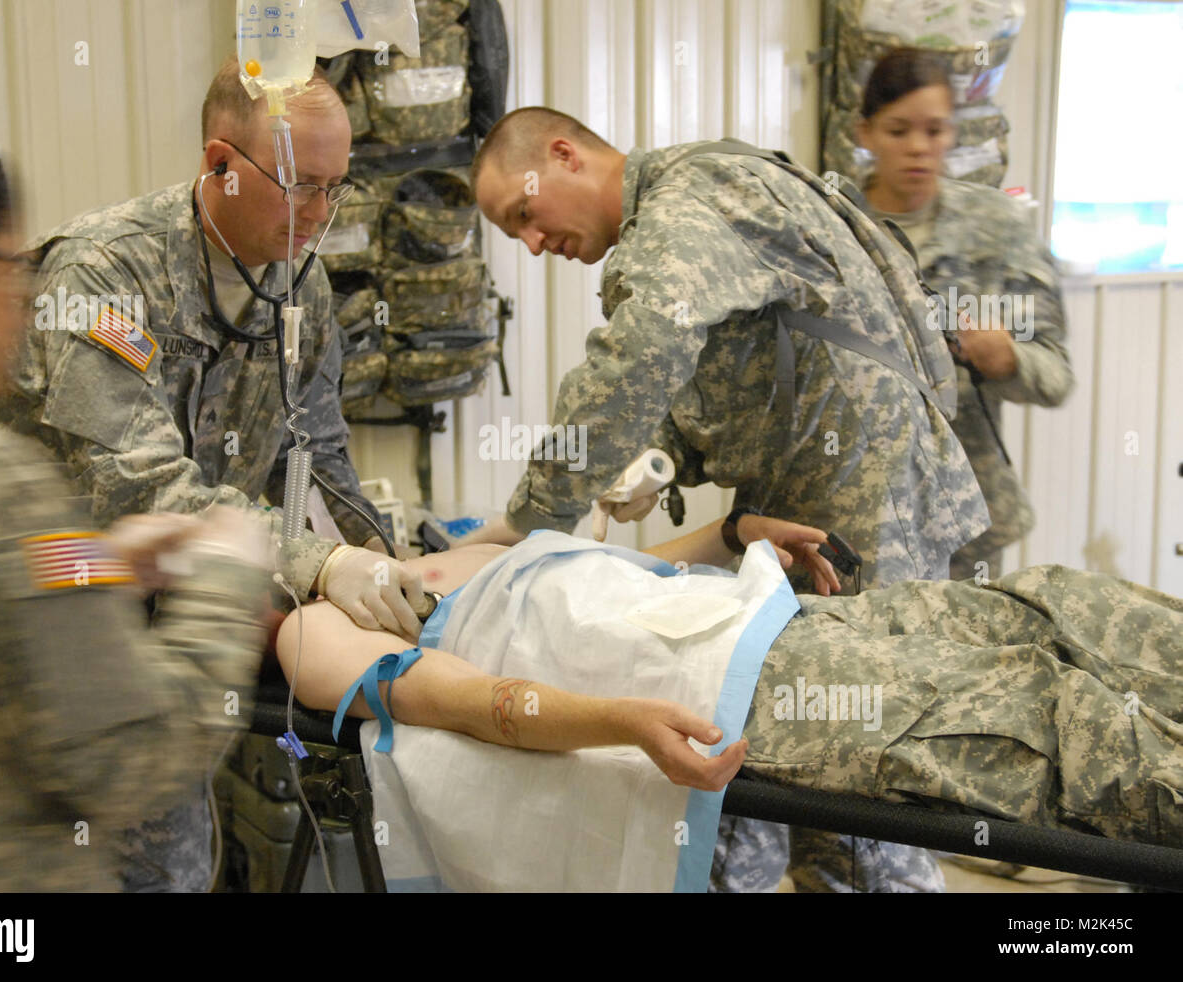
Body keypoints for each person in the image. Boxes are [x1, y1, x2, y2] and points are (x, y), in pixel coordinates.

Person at [467, 106, 993, 891]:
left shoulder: (691, 196)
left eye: (525, 216)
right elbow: (739, 364)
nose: (536, 245)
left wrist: (531, 518)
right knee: (790, 763)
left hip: (861, 509)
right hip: (824, 496)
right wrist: (661, 461)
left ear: (565, 156)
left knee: (857, 793)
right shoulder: (696, 207)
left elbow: (641, 352)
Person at [276, 519, 1183, 882]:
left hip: (762, 617)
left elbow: (610, 572)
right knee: (1044, 722)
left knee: (1054, 608)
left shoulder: (437, 550)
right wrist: (624, 722)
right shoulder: (310, 634)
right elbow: (478, 706)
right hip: (743, 687)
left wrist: (733, 529)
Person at [0, 111, 276, 891]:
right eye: (7, 267)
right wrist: (230, 578)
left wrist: (91, 565)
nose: (22, 303)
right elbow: (132, 753)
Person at [0, 56, 428, 639]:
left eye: (334, 189)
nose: (320, 214)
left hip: (192, 607)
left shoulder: (301, 282)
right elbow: (134, 486)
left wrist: (373, 547)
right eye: (299, 187)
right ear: (221, 164)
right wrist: (318, 563)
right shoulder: (103, 274)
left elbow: (312, 451)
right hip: (58, 613)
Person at [856, 48, 1074, 580]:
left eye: (934, 131)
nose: (918, 149)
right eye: (898, 130)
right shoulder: (831, 225)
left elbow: (1055, 374)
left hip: (964, 525)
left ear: (952, 133)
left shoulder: (994, 229)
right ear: (865, 134)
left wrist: (1007, 360)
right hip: (853, 523)